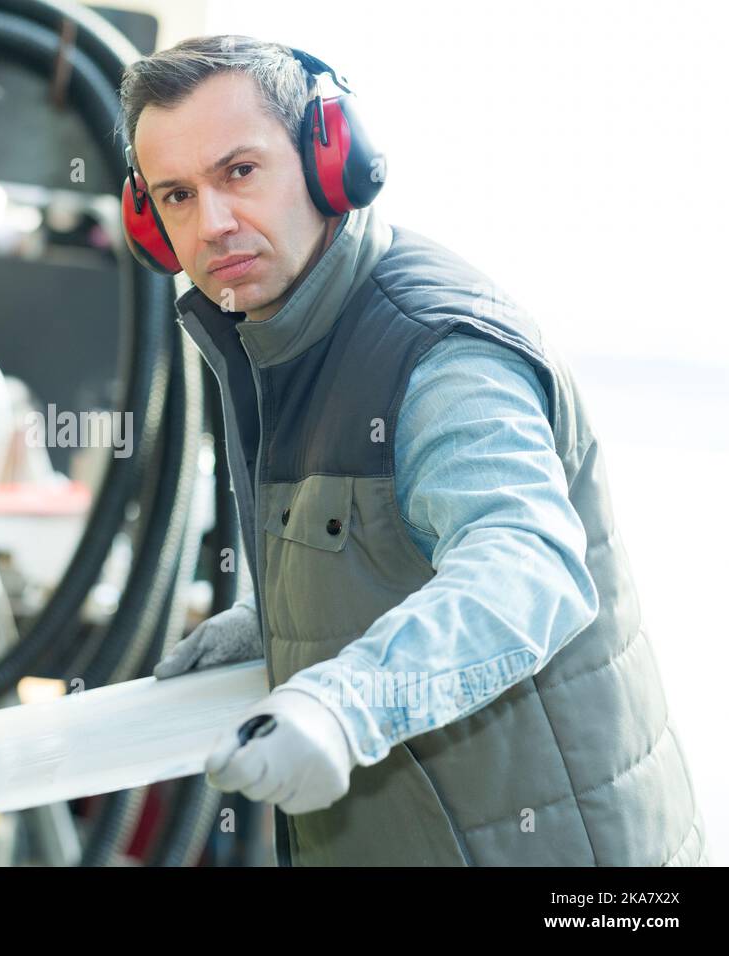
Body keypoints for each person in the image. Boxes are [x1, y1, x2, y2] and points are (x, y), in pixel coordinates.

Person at [121, 34, 708, 866]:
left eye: (240, 172)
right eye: (176, 195)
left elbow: (524, 565)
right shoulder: (274, 339)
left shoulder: (438, 351)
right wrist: (286, 621)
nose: (212, 223)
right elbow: (390, 540)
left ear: (333, 162)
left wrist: (342, 703)